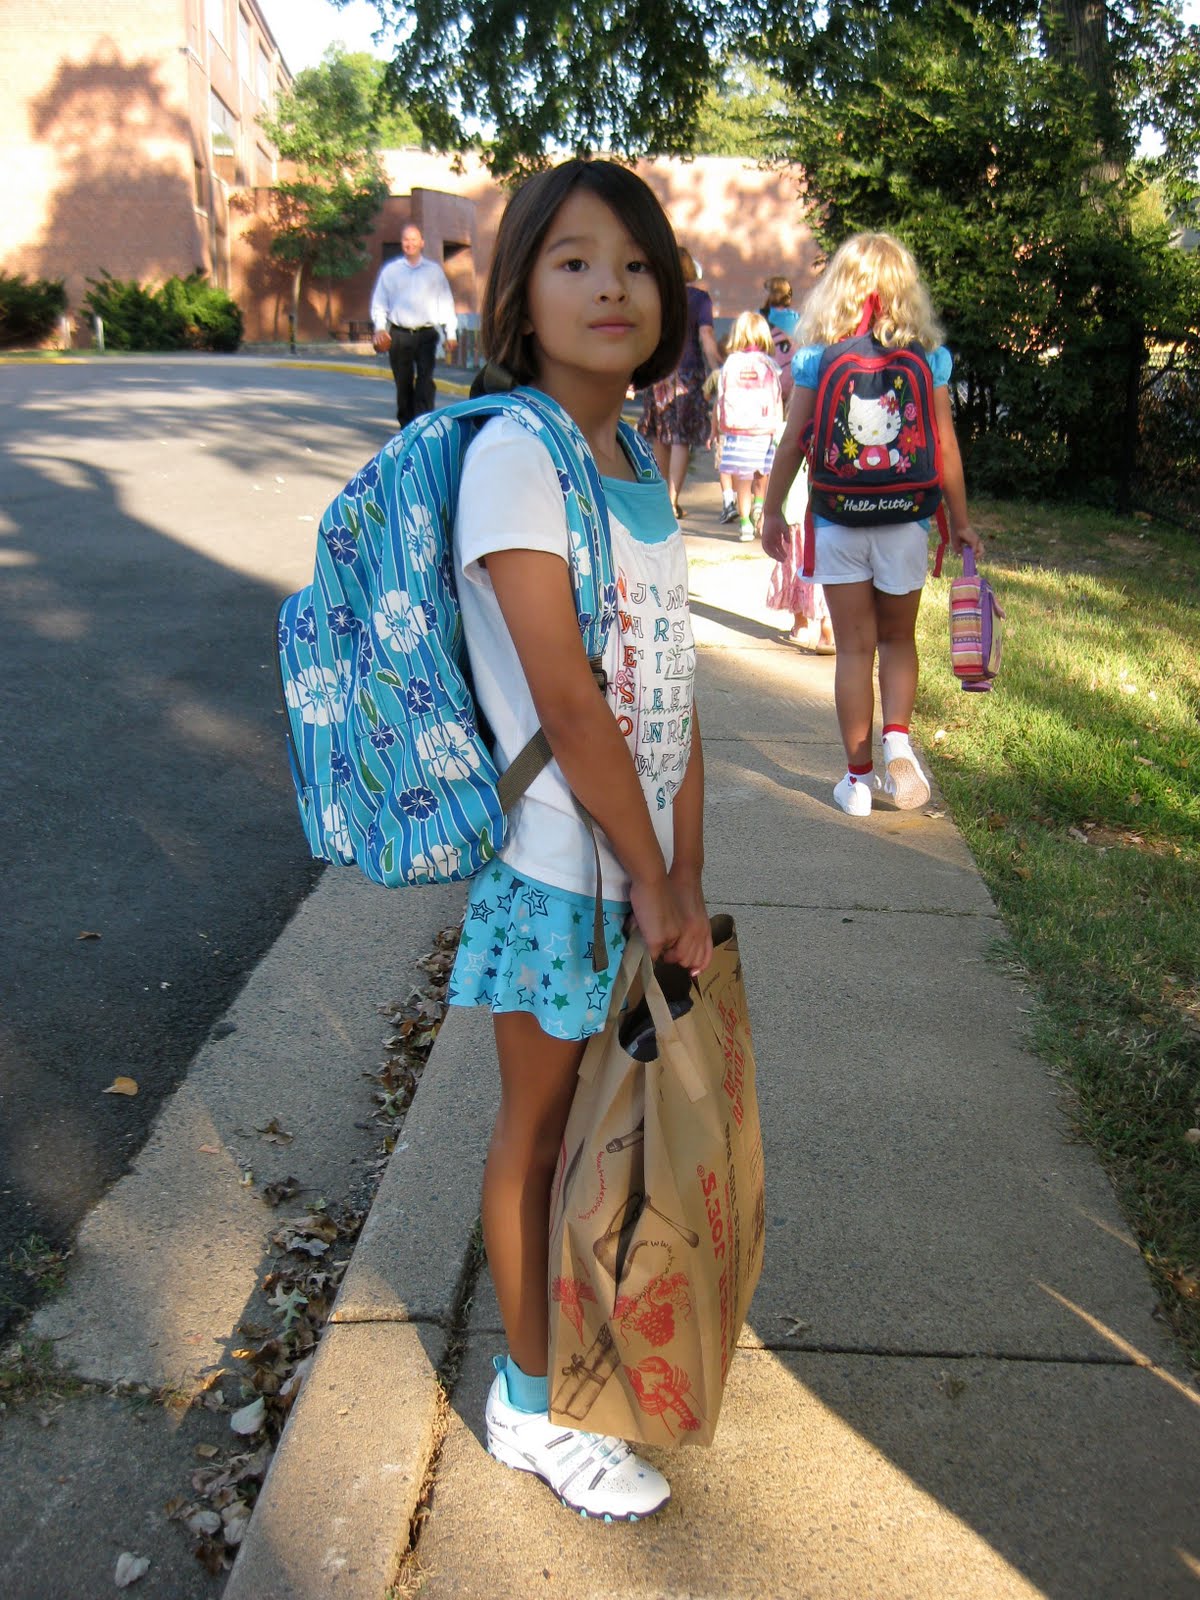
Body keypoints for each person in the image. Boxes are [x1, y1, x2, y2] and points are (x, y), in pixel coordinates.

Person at [445, 158, 712, 1521]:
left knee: (611, 1136)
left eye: (637, 263)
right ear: (521, 294)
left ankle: (572, 1356)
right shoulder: (513, 455)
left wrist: (689, 876)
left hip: (639, 877)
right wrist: (647, 872)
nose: (612, 285)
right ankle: (531, 1408)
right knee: (541, 1137)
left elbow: (672, 691)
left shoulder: (634, 461)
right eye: (573, 260)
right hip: (558, 873)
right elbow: (567, 694)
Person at [762, 232, 983, 817]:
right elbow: (945, 443)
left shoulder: (816, 358)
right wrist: (959, 520)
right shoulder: (928, 358)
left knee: (855, 648)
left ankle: (857, 783)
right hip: (906, 521)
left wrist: (770, 509)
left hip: (838, 518)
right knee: (897, 638)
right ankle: (898, 743)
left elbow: (792, 444)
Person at [636, 245, 720, 517]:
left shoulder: (658, 296)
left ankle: (661, 498)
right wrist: (718, 367)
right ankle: (672, 500)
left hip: (659, 372)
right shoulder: (699, 299)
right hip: (687, 372)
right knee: (680, 438)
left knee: (661, 435)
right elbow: (706, 337)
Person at [370, 223, 458, 427]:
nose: (409, 243)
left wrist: (450, 333)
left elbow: (445, 302)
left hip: (426, 334)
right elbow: (379, 303)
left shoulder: (434, 272)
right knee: (403, 383)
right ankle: (406, 426)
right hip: (399, 335)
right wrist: (380, 328)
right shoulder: (391, 272)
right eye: (406, 240)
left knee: (425, 381)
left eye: (413, 239)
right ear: (402, 244)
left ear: (422, 243)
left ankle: (423, 426)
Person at [713, 311, 783, 541]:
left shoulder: (731, 363)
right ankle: (759, 506)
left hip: (736, 432)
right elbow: (777, 399)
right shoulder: (769, 364)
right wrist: (778, 427)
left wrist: (718, 426)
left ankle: (744, 524)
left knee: (742, 481)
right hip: (764, 431)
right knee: (763, 474)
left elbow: (720, 398)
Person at [765, 454, 835, 652]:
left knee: (797, 567)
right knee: (826, 567)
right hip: (826, 510)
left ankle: (801, 624)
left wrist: (769, 511)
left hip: (794, 513)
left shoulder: (792, 434)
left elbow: (779, 467)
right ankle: (827, 627)